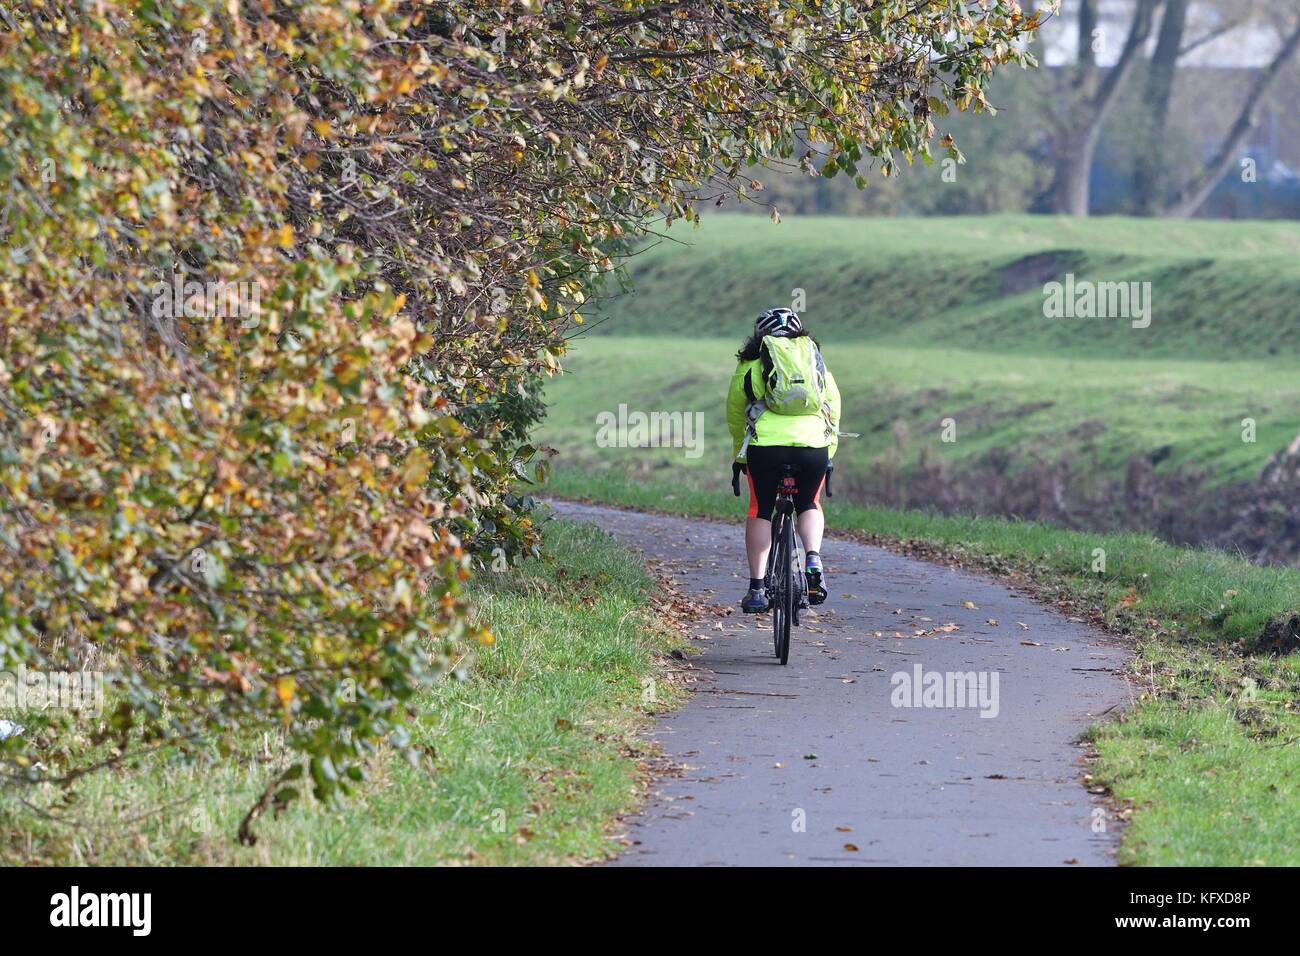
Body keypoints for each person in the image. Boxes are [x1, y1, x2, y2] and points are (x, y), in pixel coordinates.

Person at [726, 307, 840, 613]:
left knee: (760, 508)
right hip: (813, 446)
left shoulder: (751, 364)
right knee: (809, 503)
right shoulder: (814, 359)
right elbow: (833, 409)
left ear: (759, 336)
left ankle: (757, 589)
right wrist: (828, 452)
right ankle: (813, 558)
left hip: (766, 449)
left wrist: (740, 454)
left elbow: (736, 414)